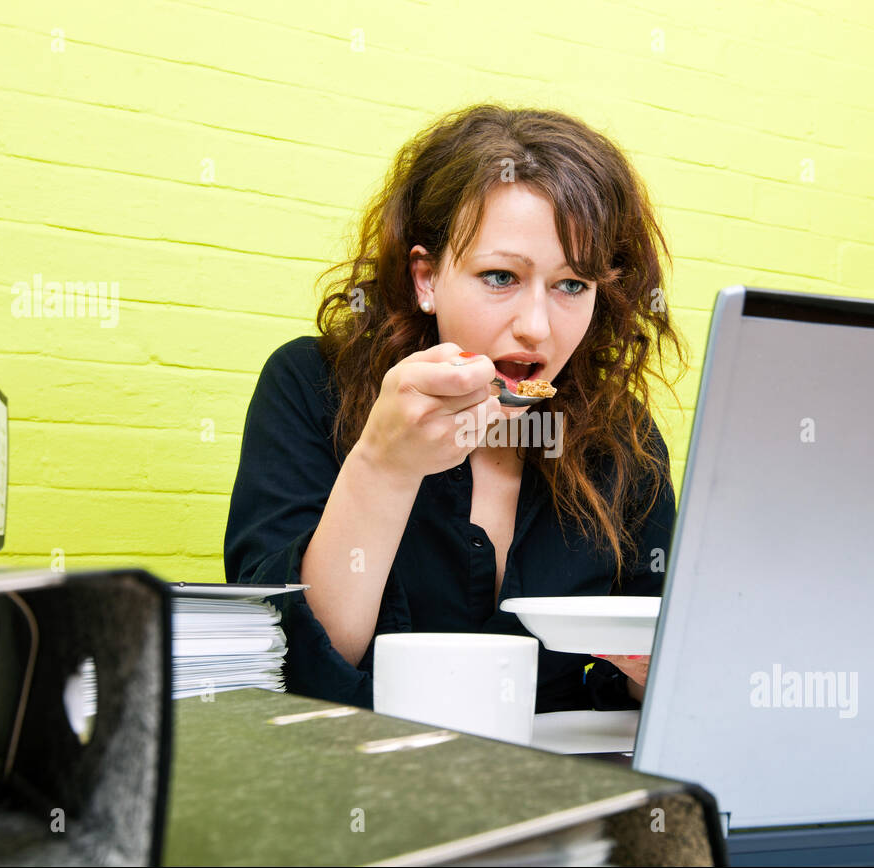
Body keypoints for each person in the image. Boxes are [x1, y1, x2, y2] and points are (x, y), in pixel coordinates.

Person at [224, 103, 686, 713]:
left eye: (573, 285)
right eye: (500, 277)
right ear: (426, 279)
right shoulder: (310, 386)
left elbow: (647, 676)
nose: (537, 328)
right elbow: (289, 670)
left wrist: (672, 665)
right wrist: (383, 467)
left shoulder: (619, 435)